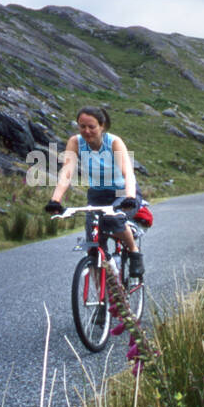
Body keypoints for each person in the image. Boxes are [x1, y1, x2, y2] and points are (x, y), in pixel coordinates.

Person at [44, 105, 145, 278]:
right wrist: (56, 200)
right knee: (92, 245)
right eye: (82, 126)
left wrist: (129, 197)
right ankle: (101, 300)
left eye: (92, 127)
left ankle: (134, 252)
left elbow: (128, 172)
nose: (87, 131)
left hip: (123, 192)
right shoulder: (75, 142)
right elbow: (67, 172)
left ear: (102, 126)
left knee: (113, 220)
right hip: (98, 195)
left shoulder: (113, 142)